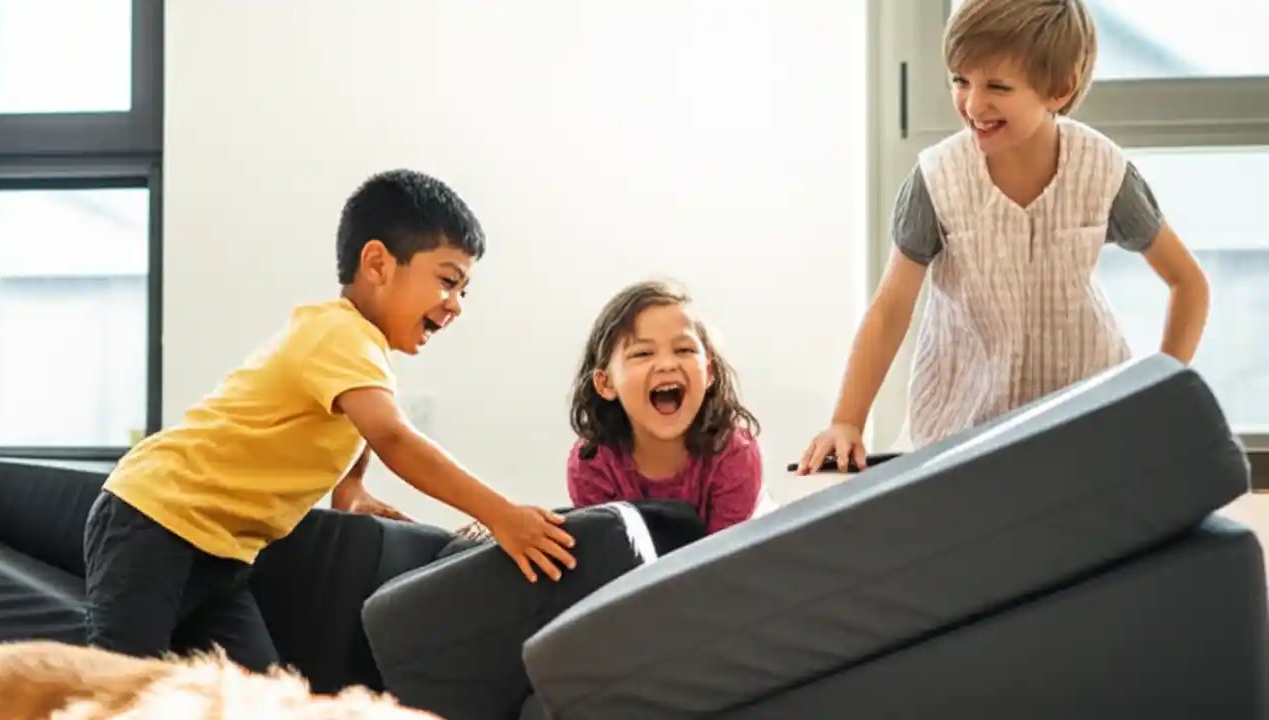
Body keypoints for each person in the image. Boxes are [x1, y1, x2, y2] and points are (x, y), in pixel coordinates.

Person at [83, 169, 577, 673]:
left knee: (264, 703)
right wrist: (500, 514)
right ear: (378, 263)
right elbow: (391, 436)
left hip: (222, 553)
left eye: (464, 291)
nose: (456, 305)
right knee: (118, 687)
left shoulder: (360, 352)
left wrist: (353, 488)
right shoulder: (341, 334)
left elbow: (357, 427)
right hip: (156, 519)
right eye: (448, 281)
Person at [798, 0, 1209, 474]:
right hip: (963, 423)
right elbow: (890, 311)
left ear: (1058, 90)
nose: (973, 105)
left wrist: (1160, 391)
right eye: (960, 80)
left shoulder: (1104, 169)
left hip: (1083, 416)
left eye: (997, 86)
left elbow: (1189, 284)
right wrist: (847, 420)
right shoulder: (937, 179)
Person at [566, 279, 763, 535]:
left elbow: (725, 561)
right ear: (606, 383)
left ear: (709, 372)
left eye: (684, 349)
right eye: (643, 353)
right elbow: (612, 562)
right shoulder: (591, 466)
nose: (667, 364)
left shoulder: (734, 454)